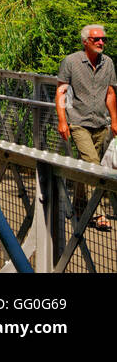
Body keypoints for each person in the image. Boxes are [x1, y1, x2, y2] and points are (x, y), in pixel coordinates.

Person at [56, 24, 116, 230]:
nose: (101, 43)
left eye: (103, 39)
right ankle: (97, 214)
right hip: (78, 121)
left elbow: (110, 93)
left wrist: (115, 120)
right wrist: (63, 121)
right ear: (85, 42)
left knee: (86, 164)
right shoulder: (71, 62)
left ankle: (79, 208)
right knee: (92, 163)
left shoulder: (108, 63)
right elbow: (61, 92)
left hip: (100, 122)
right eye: (96, 39)